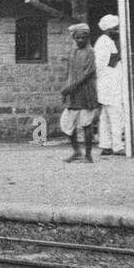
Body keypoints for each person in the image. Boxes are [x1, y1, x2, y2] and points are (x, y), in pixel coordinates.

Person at [60, 23, 99, 163]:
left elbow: (87, 75)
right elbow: (70, 74)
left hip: (86, 92)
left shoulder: (91, 52)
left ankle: (88, 155)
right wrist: (66, 90)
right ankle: (76, 151)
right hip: (74, 94)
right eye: (77, 38)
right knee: (67, 124)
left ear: (87, 38)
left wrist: (70, 88)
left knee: (86, 124)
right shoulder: (73, 53)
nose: (80, 40)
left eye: (82, 38)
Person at [94, 14, 125, 156]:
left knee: (105, 117)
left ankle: (106, 145)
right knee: (116, 116)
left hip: (109, 84)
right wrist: (120, 57)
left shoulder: (107, 41)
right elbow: (105, 63)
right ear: (108, 29)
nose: (117, 31)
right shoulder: (104, 42)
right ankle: (117, 146)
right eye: (115, 29)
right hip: (109, 85)